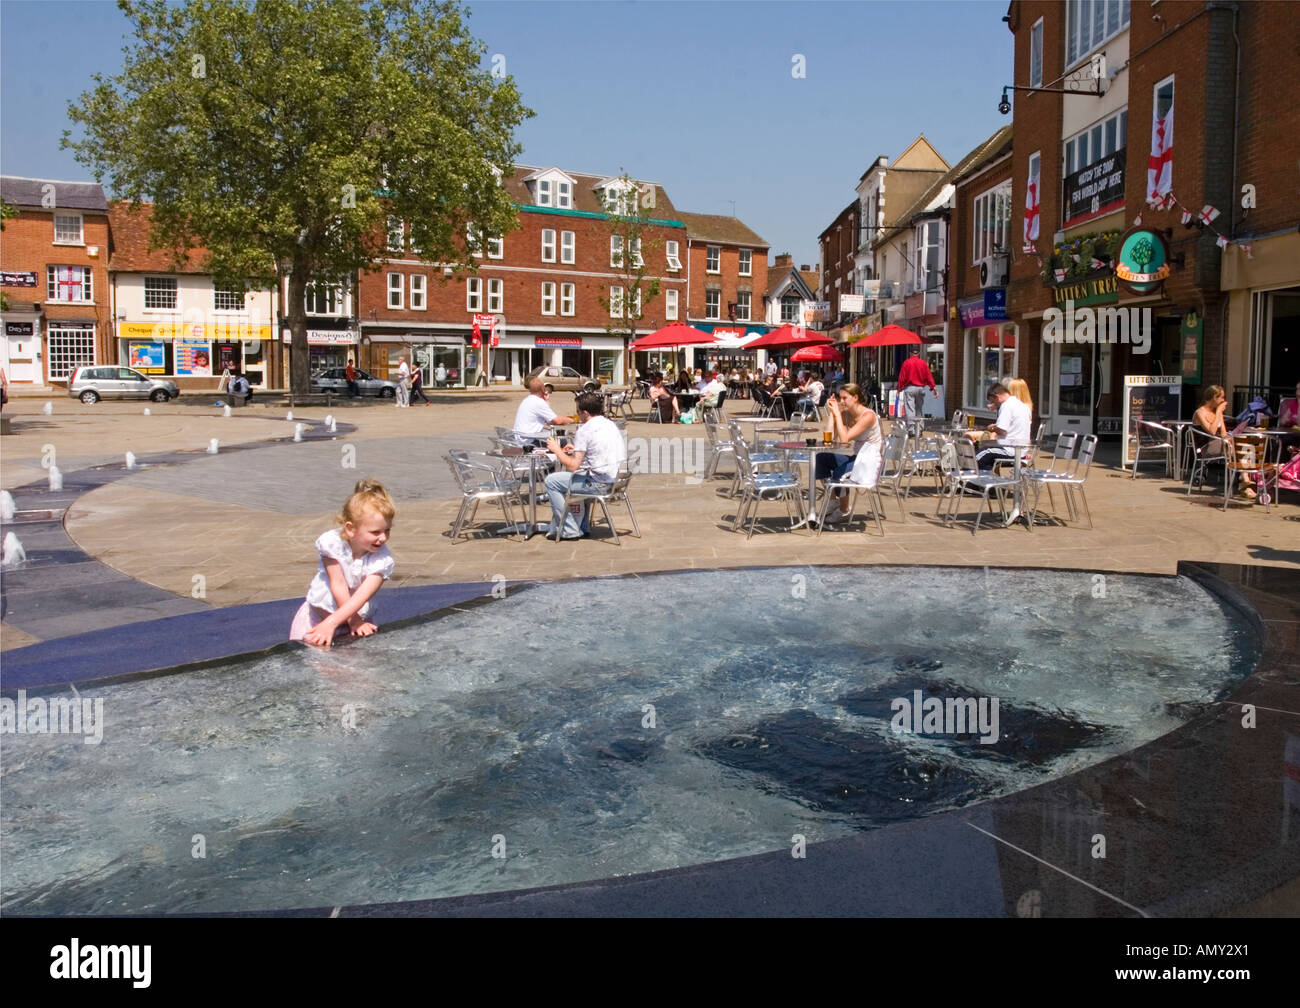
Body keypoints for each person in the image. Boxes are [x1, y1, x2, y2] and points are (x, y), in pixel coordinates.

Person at [290, 479, 396, 646]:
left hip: (354, 624)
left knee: (353, 660)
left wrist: (354, 622)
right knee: (308, 657)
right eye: (375, 532)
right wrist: (330, 624)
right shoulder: (332, 544)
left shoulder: (381, 560)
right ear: (350, 528)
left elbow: (361, 596)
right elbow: (338, 584)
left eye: (387, 531)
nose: (383, 538)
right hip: (317, 621)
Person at [542, 392, 625, 540]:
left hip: (599, 483)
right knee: (581, 476)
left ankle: (569, 529)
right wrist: (577, 449)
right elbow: (599, 448)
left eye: (578, 412)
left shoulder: (585, 430)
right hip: (615, 480)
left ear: (585, 413)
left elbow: (573, 466)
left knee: (551, 481)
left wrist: (556, 450)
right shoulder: (609, 424)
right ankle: (583, 526)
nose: (577, 415)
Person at [816, 382, 883, 523]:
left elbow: (844, 440)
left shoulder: (868, 416)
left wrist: (838, 415)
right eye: (840, 398)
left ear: (855, 397)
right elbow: (830, 437)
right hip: (857, 457)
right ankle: (833, 500)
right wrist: (833, 415)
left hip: (869, 460)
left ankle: (844, 509)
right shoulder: (847, 415)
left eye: (845, 398)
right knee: (821, 458)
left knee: (839, 473)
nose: (841, 402)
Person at [1194, 384, 1255, 498]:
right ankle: (1244, 482)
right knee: (1241, 448)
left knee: (1244, 443)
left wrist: (1232, 438)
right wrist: (1218, 412)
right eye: (1222, 397)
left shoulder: (1217, 413)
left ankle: (1245, 481)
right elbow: (1212, 432)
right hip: (1205, 448)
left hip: (1221, 445)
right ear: (1214, 397)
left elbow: (1223, 434)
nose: (1223, 400)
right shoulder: (1200, 412)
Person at [966, 382, 1031, 470]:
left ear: (997, 397)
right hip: (1021, 450)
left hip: (1010, 450)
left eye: (993, 402)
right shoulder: (1020, 405)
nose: (994, 404)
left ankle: (966, 473)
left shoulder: (1006, 406)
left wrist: (991, 428)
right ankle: (989, 476)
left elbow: (1002, 430)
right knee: (985, 455)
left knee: (975, 459)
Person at [897, 347, 937, 424]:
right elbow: (929, 376)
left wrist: (899, 389)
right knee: (919, 409)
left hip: (909, 388)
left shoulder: (906, 363)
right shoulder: (923, 363)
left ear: (910, 353)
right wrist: (934, 388)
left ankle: (911, 428)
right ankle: (920, 427)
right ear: (918, 353)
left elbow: (902, 377)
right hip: (920, 388)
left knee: (910, 409)